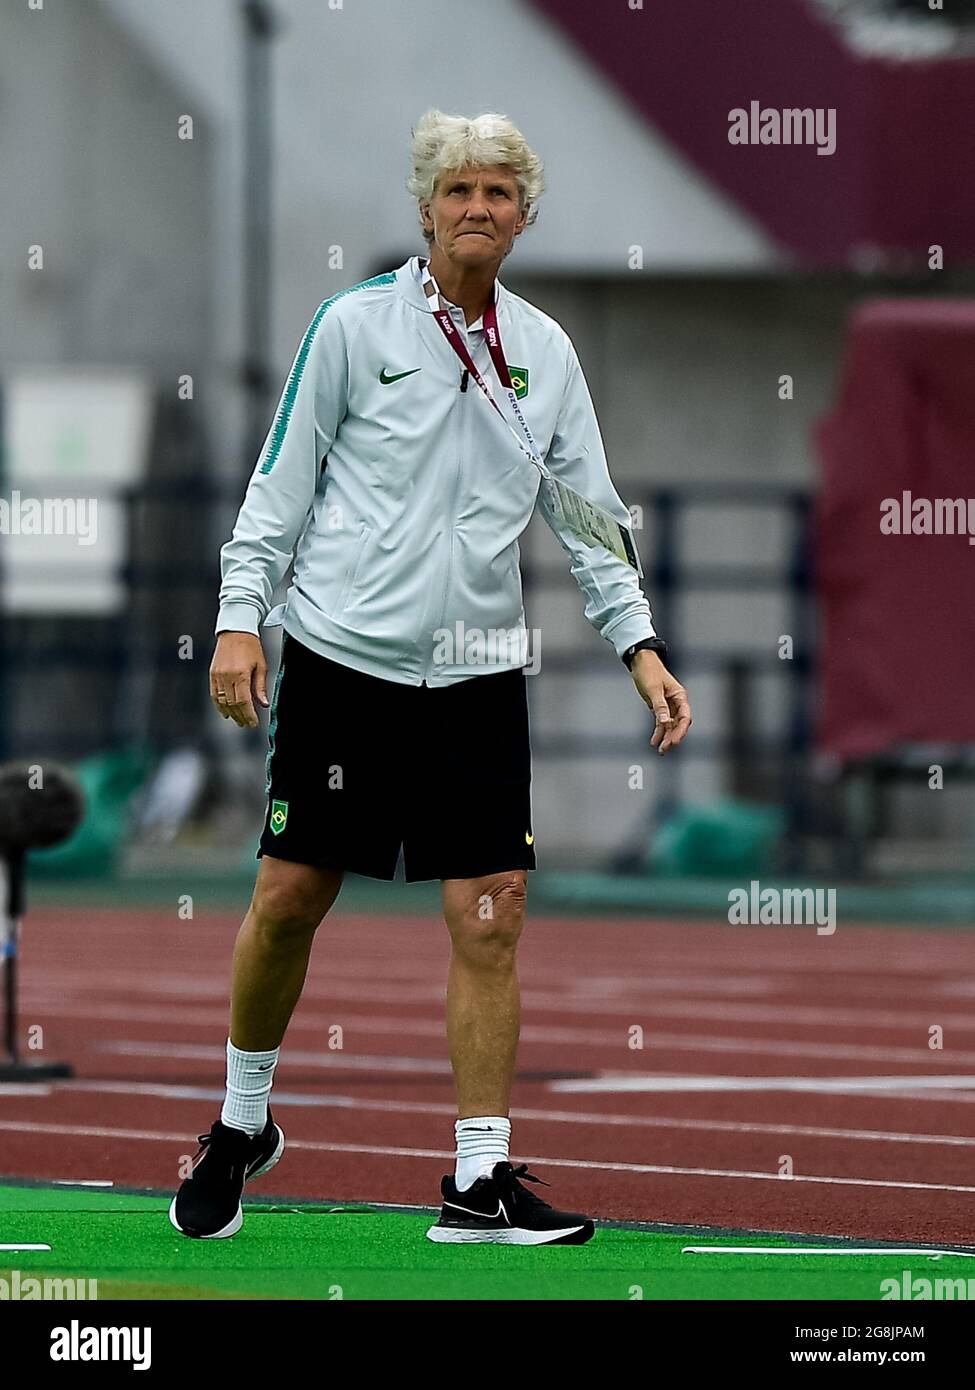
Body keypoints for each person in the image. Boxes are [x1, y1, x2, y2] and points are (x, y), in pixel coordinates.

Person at [169, 109, 691, 1246]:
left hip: (478, 677)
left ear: (523, 215)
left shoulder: (546, 353)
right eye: (457, 190)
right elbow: (278, 484)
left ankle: (476, 1178)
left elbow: (591, 518)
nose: (477, 209)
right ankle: (241, 1118)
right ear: (423, 208)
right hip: (344, 661)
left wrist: (639, 645)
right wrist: (238, 619)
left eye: (499, 192)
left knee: (491, 915)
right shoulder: (354, 327)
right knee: (289, 897)